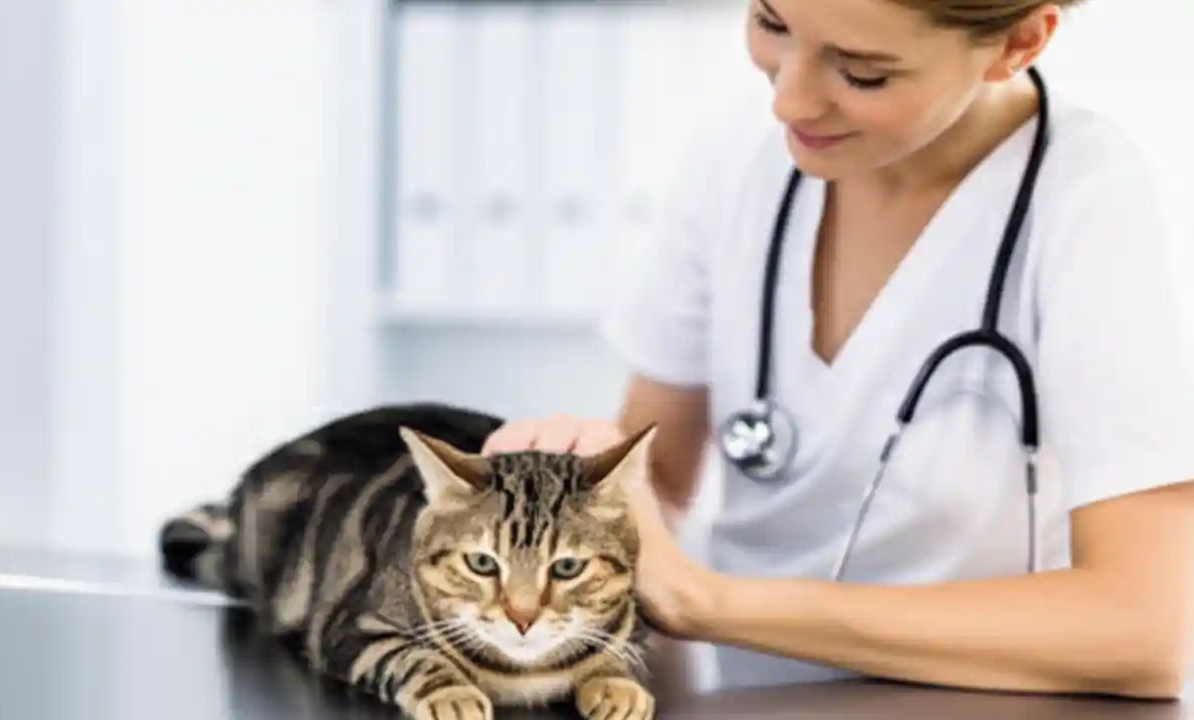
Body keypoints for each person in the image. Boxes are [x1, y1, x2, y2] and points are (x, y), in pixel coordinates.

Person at [481, 0, 1194, 701]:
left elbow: (1142, 631)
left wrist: (709, 602)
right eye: (771, 23)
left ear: (1020, 42)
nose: (788, 102)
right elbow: (659, 482)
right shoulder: (738, 161)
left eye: (862, 73)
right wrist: (586, 489)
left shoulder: (1090, 200)